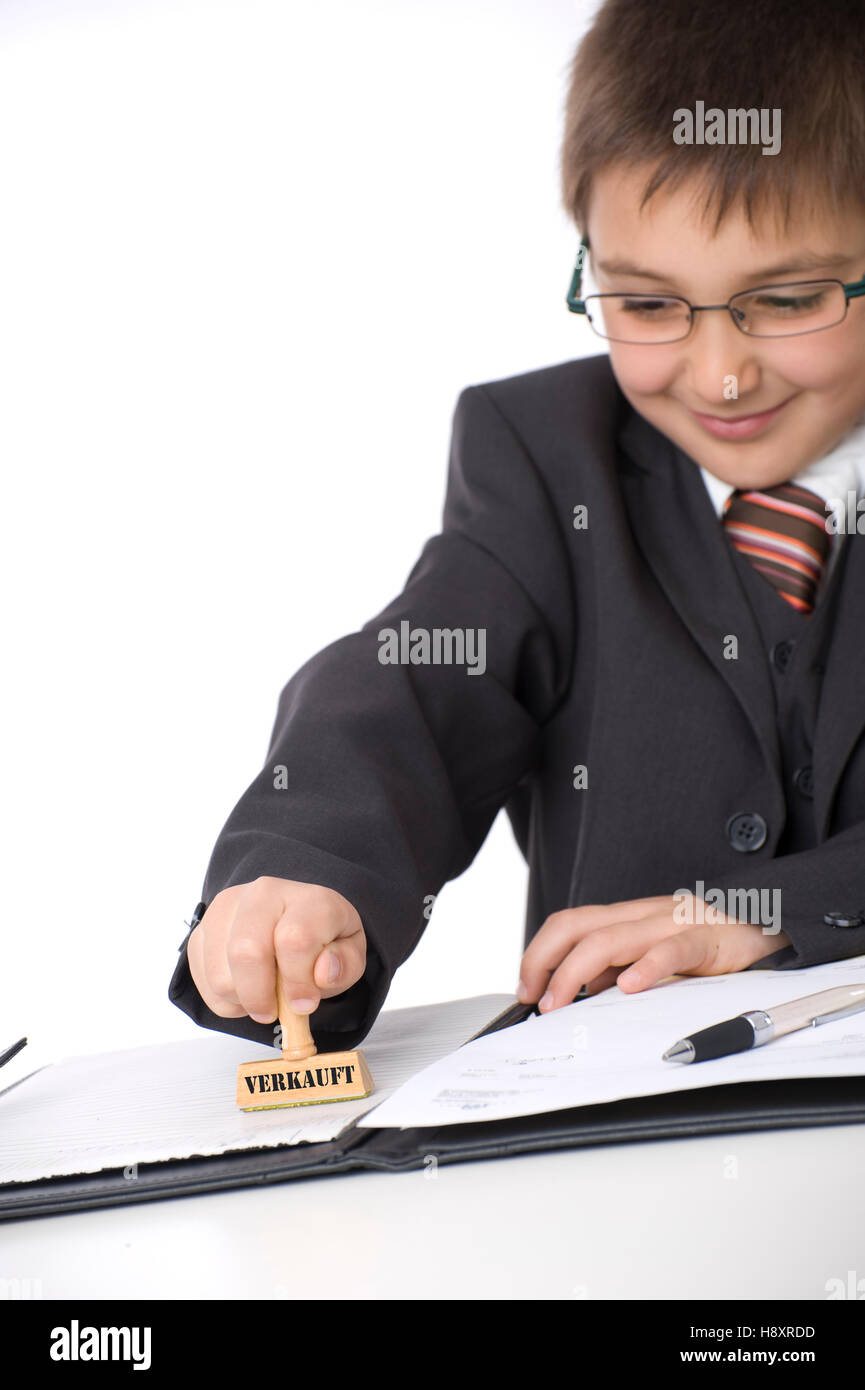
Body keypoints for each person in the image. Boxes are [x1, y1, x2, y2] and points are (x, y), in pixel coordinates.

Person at [169, 0, 865, 1055]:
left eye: (787, 299)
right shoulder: (544, 454)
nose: (720, 374)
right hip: (628, 1130)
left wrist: (778, 908)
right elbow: (418, 678)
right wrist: (308, 865)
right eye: (645, 304)